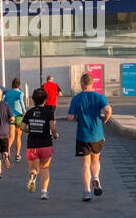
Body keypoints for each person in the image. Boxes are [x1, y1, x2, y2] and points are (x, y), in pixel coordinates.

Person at [66, 72, 112, 202]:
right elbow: (108, 109)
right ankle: (96, 177)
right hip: (97, 134)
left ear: (81, 84)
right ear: (92, 83)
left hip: (83, 135)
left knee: (85, 165)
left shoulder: (76, 98)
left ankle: (87, 191)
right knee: (96, 159)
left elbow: (69, 117)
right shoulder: (99, 97)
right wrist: (105, 120)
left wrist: (76, 117)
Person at [22, 87, 58, 199]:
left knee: (34, 169)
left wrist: (29, 130)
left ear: (33, 100)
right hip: (46, 144)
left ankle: (33, 176)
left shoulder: (29, 112)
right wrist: (55, 134)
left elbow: (22, 127)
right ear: (45, 100)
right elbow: (52, 127)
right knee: (44, 168)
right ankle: (44, 192)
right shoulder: (49, 112)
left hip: (32, 144)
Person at [5, 77, 26, 161]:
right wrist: (24, 111)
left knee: (11, 136)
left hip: (10, 115)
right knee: (18, 137)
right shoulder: (20, 93)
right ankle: (17, 155)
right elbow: (21, 101)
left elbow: (3, 101)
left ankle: (6, 151)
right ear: (19, 85)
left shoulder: (8, 93)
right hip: (19, 115)